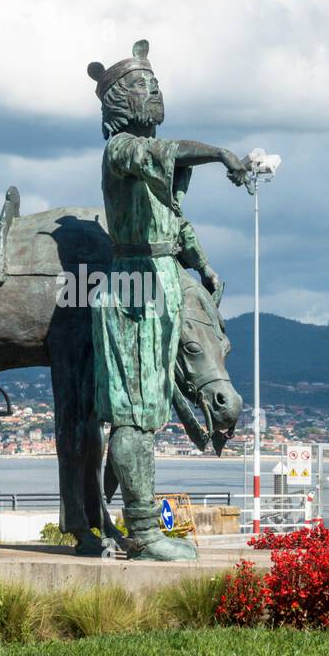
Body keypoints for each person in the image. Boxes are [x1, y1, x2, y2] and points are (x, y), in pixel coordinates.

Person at [85, 39, 247, 560]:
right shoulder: (122, 150)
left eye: (154, 81)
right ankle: (145, 533)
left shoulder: (148, 165)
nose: (151, 88)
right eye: (138, 83)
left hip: (162, 280)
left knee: (147, 411)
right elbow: (167, 152)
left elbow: (173, 218)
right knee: (135, 414)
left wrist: (198, 261)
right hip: (133, 286)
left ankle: (111, 519)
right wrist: (221, 153)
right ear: (116, 101)